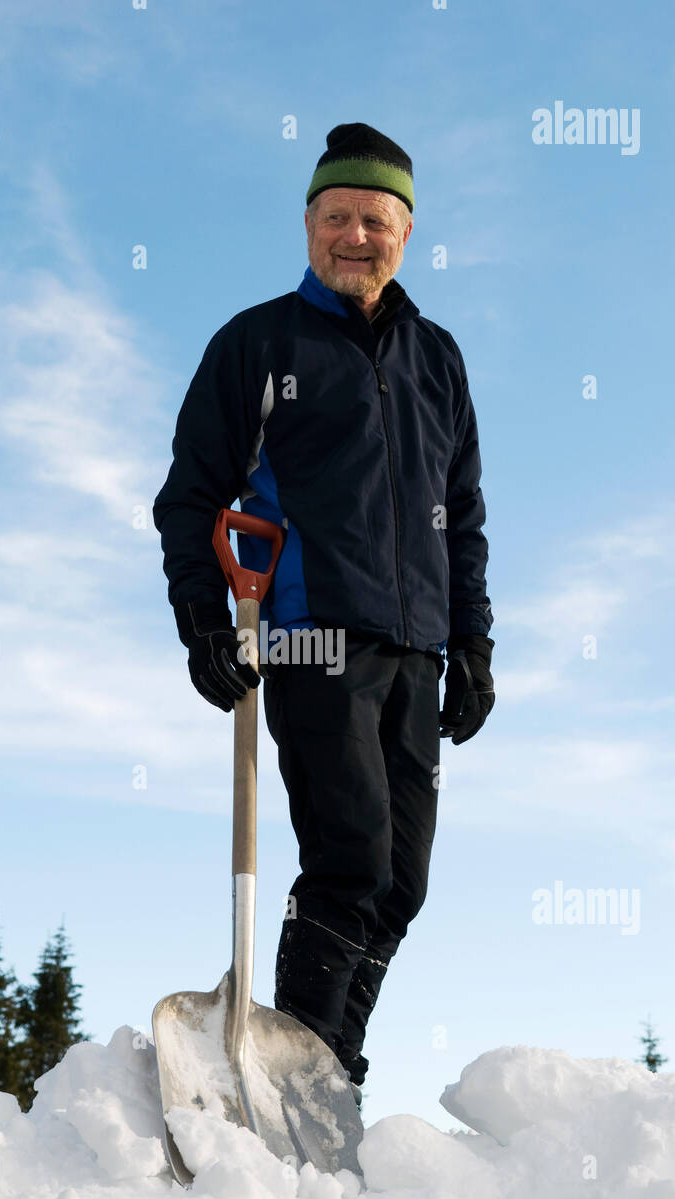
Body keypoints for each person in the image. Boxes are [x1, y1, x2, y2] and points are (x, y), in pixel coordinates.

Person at [153, 122, 494, 1101]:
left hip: (415, 647)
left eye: (375, 220)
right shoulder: (258, 343)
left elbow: (460, 514)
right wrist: (202, 621)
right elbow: (190, 497)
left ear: (406, 231)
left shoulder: (437, 359)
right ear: (308, 223)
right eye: (337, 216)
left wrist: (470, 643)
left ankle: (320, 1069)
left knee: (400, 884)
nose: (356, 235)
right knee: (348, 858)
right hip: (306, 636)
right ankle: (296, 1067)